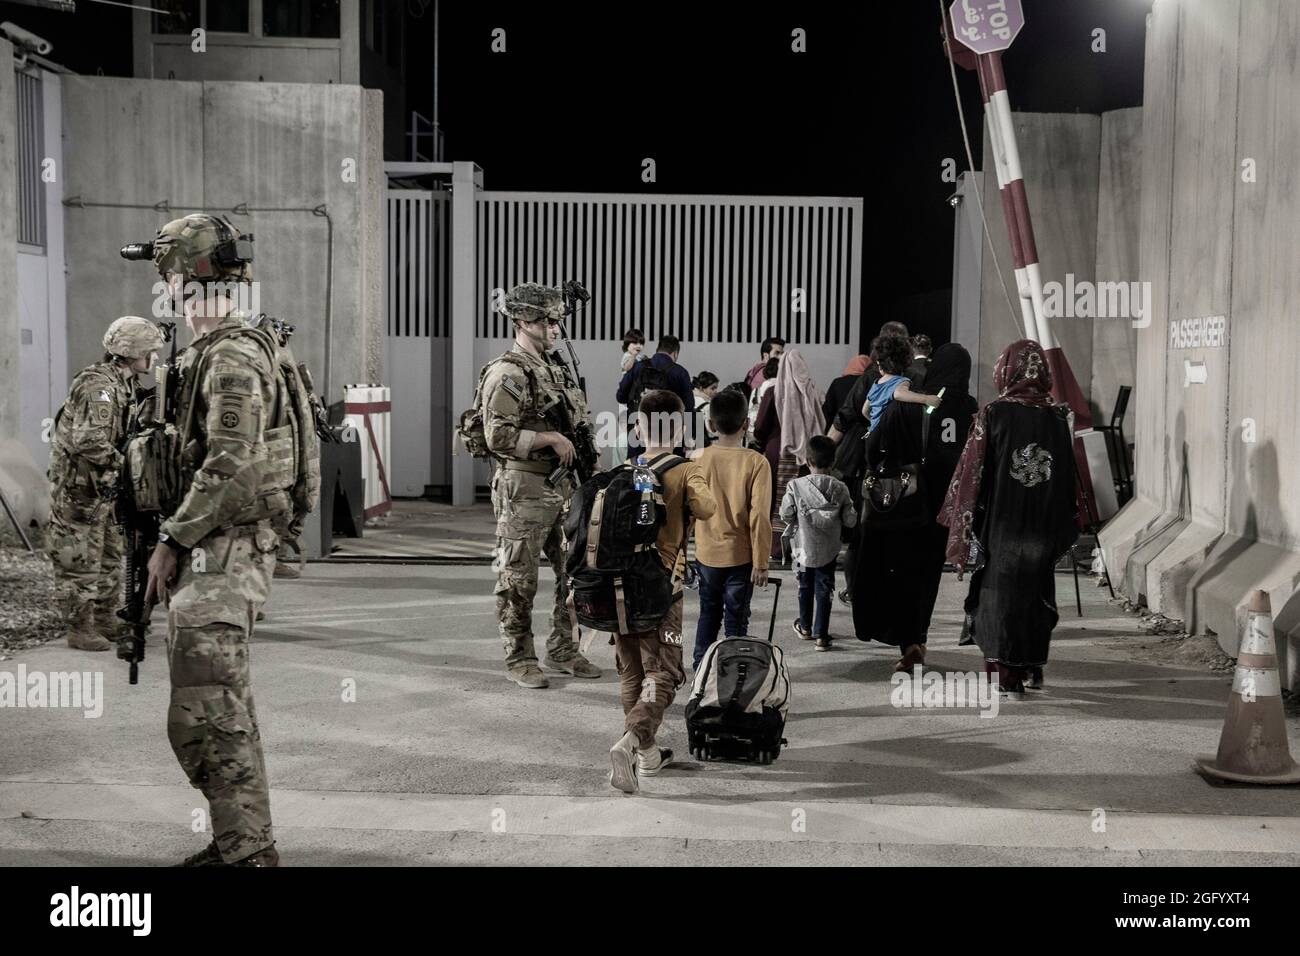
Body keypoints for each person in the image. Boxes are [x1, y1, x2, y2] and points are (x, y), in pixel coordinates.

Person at [138, 212, 311, 867]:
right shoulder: (226, 347)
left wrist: (173, 539)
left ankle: (248, 853)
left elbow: (231, 458)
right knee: (219, 701)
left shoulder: (233, 353)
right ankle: (243, 841)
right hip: (225, 542)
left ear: (184, 279)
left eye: (169, 277)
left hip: (225, 545)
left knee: (207, 707)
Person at [479, 283, 603, 689]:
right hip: (524, 488)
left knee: (574, 573)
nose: (554, 328)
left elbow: (577, 424)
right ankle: (519, 656)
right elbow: (496, 436)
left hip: (564, 488)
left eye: (557, 320)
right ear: (521, 321)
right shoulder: (507, 372)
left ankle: (563, 647)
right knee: (520, 578)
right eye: (546, 320)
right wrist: (547, 439)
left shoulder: (555, 368)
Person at [938, 339, 1078, 695]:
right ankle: (1031, 666)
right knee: (1035, 593)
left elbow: (972, 473)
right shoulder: (1057, 417)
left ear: (1006, 370)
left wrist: (965, 519)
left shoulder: (994, 414)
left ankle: (1004, 675)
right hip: (1042, 525)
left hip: (1002, 524)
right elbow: (1067, 478)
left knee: (999, 596)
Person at [608, 390, 717, 793]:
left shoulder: (626, 467)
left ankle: (647, 755)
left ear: (638, 427)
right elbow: (708, 511)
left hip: (618, 588)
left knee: (632, 671)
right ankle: (631, 739)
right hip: (661, 590)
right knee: (664, 673)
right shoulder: (687, 470)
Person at [851, 343, 977, 670]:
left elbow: (877, 444)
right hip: (944, 511)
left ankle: (909, 643)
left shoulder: (913, 403)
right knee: (928, 577)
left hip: (909, 505)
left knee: (904, 573)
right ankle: (919, 636)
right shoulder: (971, 409)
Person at [46, 316, 164, 651]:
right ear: (131, 352)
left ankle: (104, 618)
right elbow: (89, 441)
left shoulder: (122, 384)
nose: (154, 357)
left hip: (103, 490)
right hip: (79, 491)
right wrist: (129, 466)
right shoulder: (99, 386)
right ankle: (79, 628)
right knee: (79, 559)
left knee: (111, 555)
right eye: (150, 351)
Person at [826, 321, 912, 605]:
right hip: (901, 464)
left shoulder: (871, 377)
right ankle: (888, 587)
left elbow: (847, 415)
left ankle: (857, 587)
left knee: (864, 530)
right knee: (895, 530)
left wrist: (825, 452)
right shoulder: (913, 379)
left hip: (865, 462)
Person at [690, 389, 772, 669]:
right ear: (745, 424)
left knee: (708, 613)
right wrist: (761, 561)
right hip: (741, 557)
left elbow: (687, 509)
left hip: (705, 554)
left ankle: (701, 672)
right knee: (736, 619)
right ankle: (733, 676)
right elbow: (759, 515)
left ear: (711, 425)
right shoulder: (756, 462)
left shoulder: (697, 458)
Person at [780, 435, 856, 651]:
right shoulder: (840, 488)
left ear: (808, 460)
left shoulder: (795, 486)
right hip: (829, 549)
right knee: (824, 588)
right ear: (833, 462)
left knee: (804, 585)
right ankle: (821, 635)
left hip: (802, 547)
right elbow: (850, 519)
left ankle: (805, 627)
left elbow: (786, 514)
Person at [754, 348, 825, 554]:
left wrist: (763, 440)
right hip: (806, 455)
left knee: (778, 501)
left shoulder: (773, 392)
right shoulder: (813, 392)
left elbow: (760, 427)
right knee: (802, 500)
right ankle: (803, 546)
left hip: (778, 453)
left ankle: (778, 548)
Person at [617, 334, 694, 457]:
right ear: (675, 353)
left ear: (657, 350)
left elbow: (620, 397)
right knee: (671, 471)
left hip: (638, 432)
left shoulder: (637, 367)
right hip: (670, 437)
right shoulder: (680, 373)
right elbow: (689, 408)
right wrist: (689, 437)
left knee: (636, 470)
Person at [861, 333, 939, 433]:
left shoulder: (877, 383)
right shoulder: (901, 381)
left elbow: (865, 411)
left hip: (872, 434)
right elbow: (899, 394)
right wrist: (926, 399)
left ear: (879, 363)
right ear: (906, 361)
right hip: (887, 435)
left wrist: (875, 423)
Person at [822, 354, 870, 433]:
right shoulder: (870, 383)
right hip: (863, 431)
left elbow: (828, 410)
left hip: (840, 429)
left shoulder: (838, 383)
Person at [691, 371, 719, 450]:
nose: (716, 391)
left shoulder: (688, 400)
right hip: (704, 446)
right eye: (713, 388)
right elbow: (712, 431)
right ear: (701, 388)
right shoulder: (706, 406)